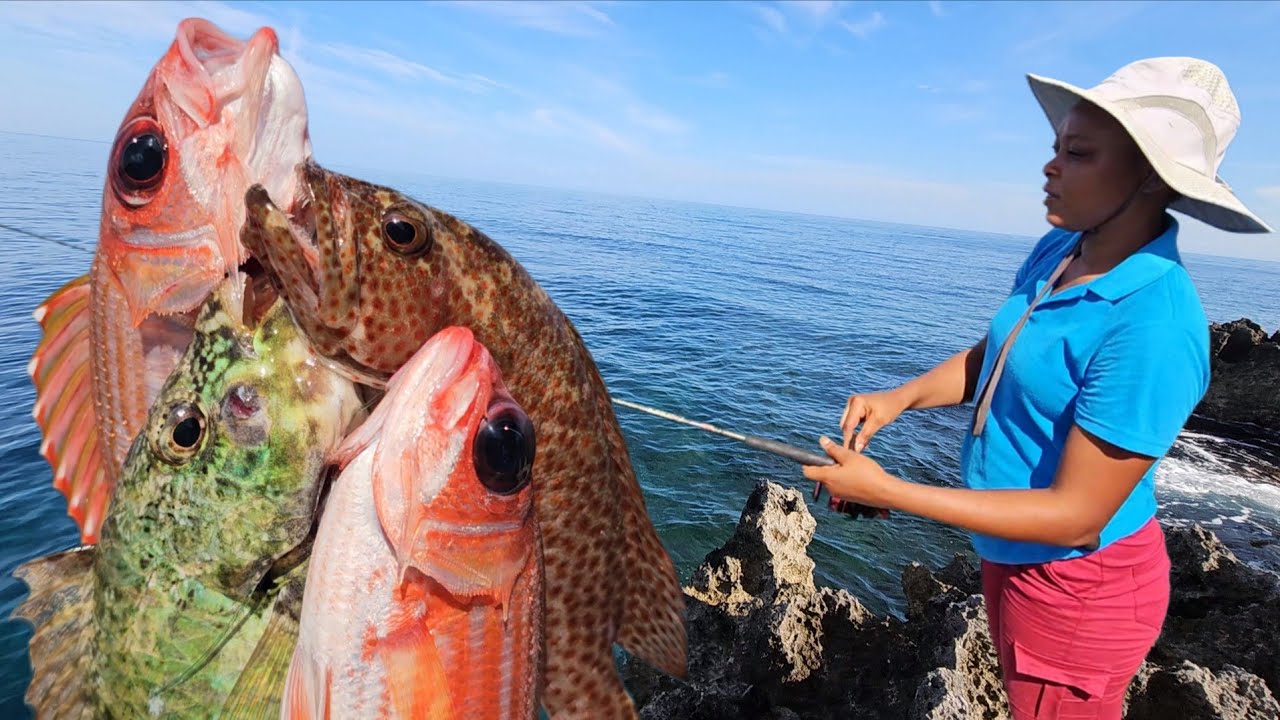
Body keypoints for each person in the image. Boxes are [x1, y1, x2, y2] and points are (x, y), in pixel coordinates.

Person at [802, 56, 1272, 719]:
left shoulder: (1156, 324)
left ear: (1149, 175)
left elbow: (1077, 516)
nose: (1050, 167)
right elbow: (1001, 355)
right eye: (1056, 148)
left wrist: (889, 492)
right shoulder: (1064, 251)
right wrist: (899, 398)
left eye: (1077, 153)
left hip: (1077, 589)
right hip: (1012, 557)